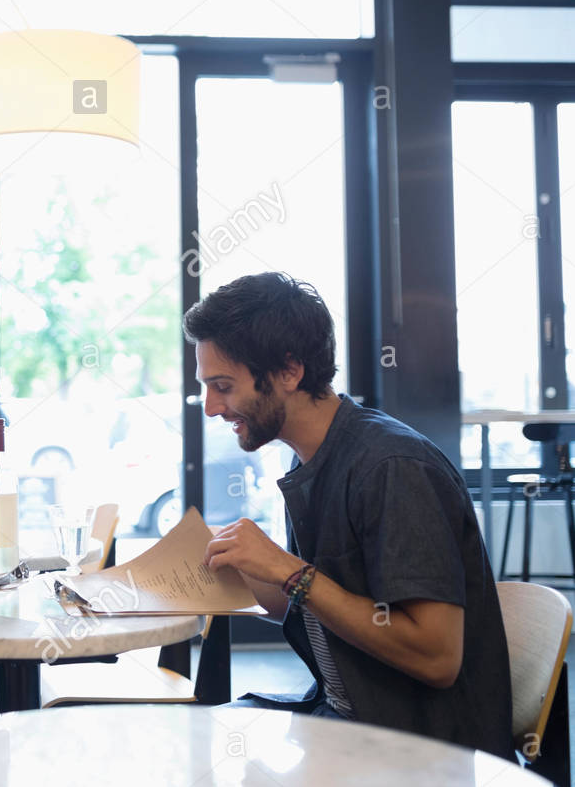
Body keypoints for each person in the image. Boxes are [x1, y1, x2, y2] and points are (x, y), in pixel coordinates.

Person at [184, 271, 513, 759]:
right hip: (346, 720)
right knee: (192, 747)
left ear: (289, 371)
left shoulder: (391, 467)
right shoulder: (313, 456)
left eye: (223, 386)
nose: (211, 408)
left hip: (417, 752)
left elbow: (438, 656)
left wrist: (291, 572)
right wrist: (245, 565)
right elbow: (304, 604)